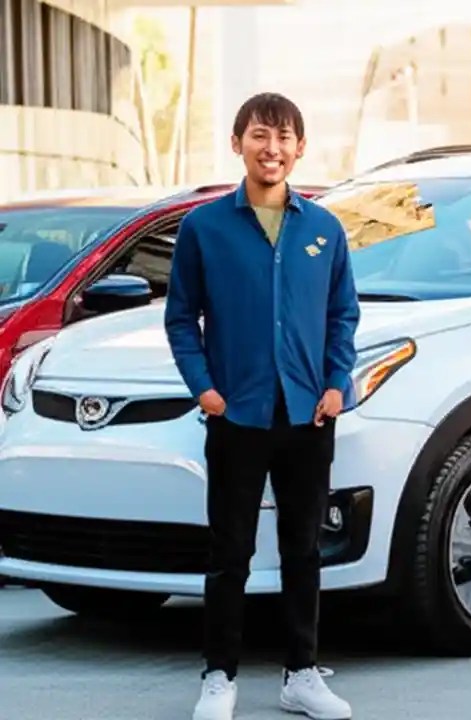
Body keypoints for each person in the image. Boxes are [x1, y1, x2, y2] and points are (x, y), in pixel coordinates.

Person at [165, 92, 359, 720]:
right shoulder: (205, 227)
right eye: (259, 136)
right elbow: (180, 320)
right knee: (230, 553)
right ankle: (219, 676)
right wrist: (204, 388)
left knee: (303, 549)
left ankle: (301, 673)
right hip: (237, 413)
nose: (271, 148)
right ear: (237, 143)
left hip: (309, 414)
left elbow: (342, 314)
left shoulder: (324, 229)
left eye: (283, 137)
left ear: (300, 147)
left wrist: (336, 382)